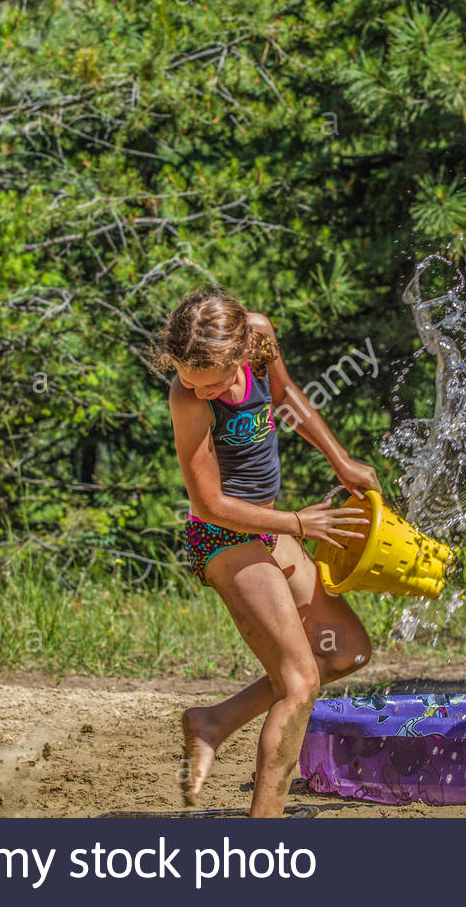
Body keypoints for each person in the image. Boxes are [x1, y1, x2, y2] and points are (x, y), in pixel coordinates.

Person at [152, 291, 378, 817]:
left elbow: (286, 396)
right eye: (187, 377)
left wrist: (340, 460)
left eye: (209, 380)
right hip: (222, 536)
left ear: (240, 353)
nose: (197, 388)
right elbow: (209, 503)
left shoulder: (258, 335)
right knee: (299, 684)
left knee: (346, 652)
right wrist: (301, 523)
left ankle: (214, 721)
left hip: (269, 526)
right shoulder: (187, 400)